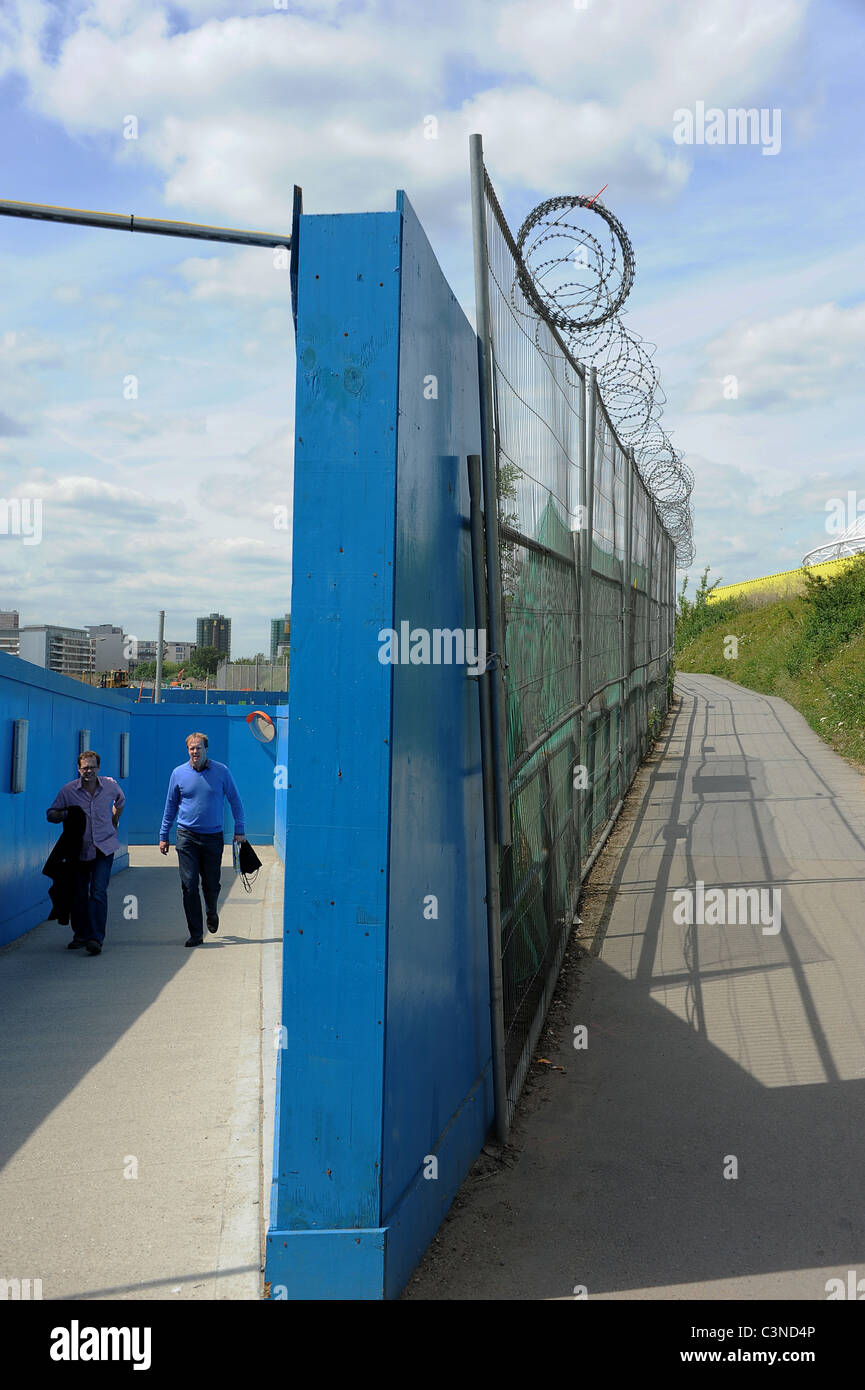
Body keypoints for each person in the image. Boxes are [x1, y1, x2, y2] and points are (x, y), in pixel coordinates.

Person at [159, 732, 247, 947]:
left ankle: (211, 911)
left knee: (211, 883)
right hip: (186, 836)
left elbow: (235, 801)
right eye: (191, 748)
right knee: (189, 885)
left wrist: (239, 829)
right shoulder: (178, 773)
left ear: (207, 749)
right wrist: (163, 835)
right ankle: (196, 933)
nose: (195, 752)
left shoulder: (221, 771)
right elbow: (170, 806)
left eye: (199, 748)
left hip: (213, 837)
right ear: (187, 750)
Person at [46, 750, 125, 956]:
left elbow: (120, 801)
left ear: (98, 768)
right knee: (79, 895)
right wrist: (65, 814)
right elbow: (51, 814)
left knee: (98, 892)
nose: (88, 771)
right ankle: (80, 935)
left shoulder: (110, 786)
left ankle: (96, 938)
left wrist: (114, 821)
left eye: (92, 767)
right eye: (84, 768)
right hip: (79, 851)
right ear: (78, 769)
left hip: (104, 848)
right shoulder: (68, 791)